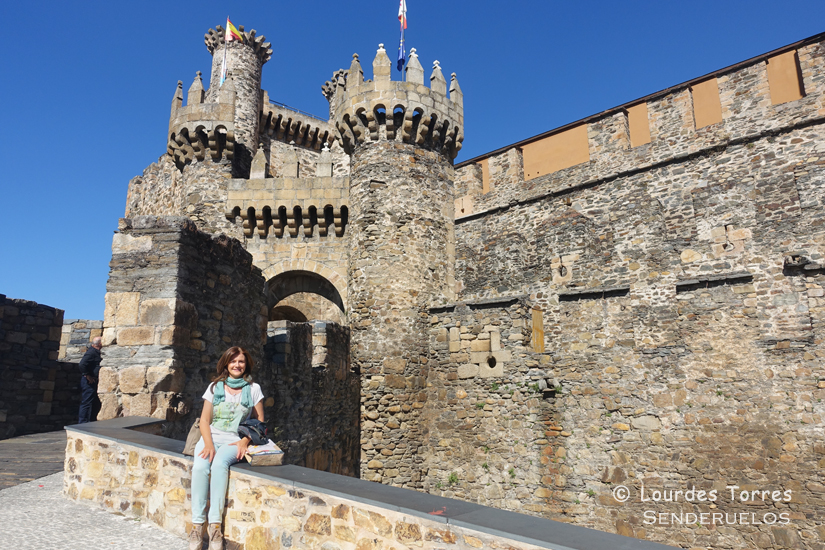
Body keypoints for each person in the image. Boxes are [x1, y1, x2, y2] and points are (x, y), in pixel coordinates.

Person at [189, 347, 264, 550]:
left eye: (241, 361)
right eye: (233, 361)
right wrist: (209, 444)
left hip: (234, 440)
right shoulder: (215, 387)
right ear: (226, 364)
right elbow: (204, 420)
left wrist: (245, 441)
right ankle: (197, 526)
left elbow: (260, 421)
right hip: (211, 437)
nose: (237, 365)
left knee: (219, 465)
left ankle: (215, 527)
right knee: (200, 467)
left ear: (246, 364)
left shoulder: (254, 388)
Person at [77, 337, 103, 423]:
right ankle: (83, 422)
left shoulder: (96, 352)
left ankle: (92, 421)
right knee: (86, 402)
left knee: (94, 402)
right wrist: (87, 375)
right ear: (100, 344)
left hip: (94, 381)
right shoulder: (91, 352)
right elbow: (82, 364)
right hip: (89, 381)